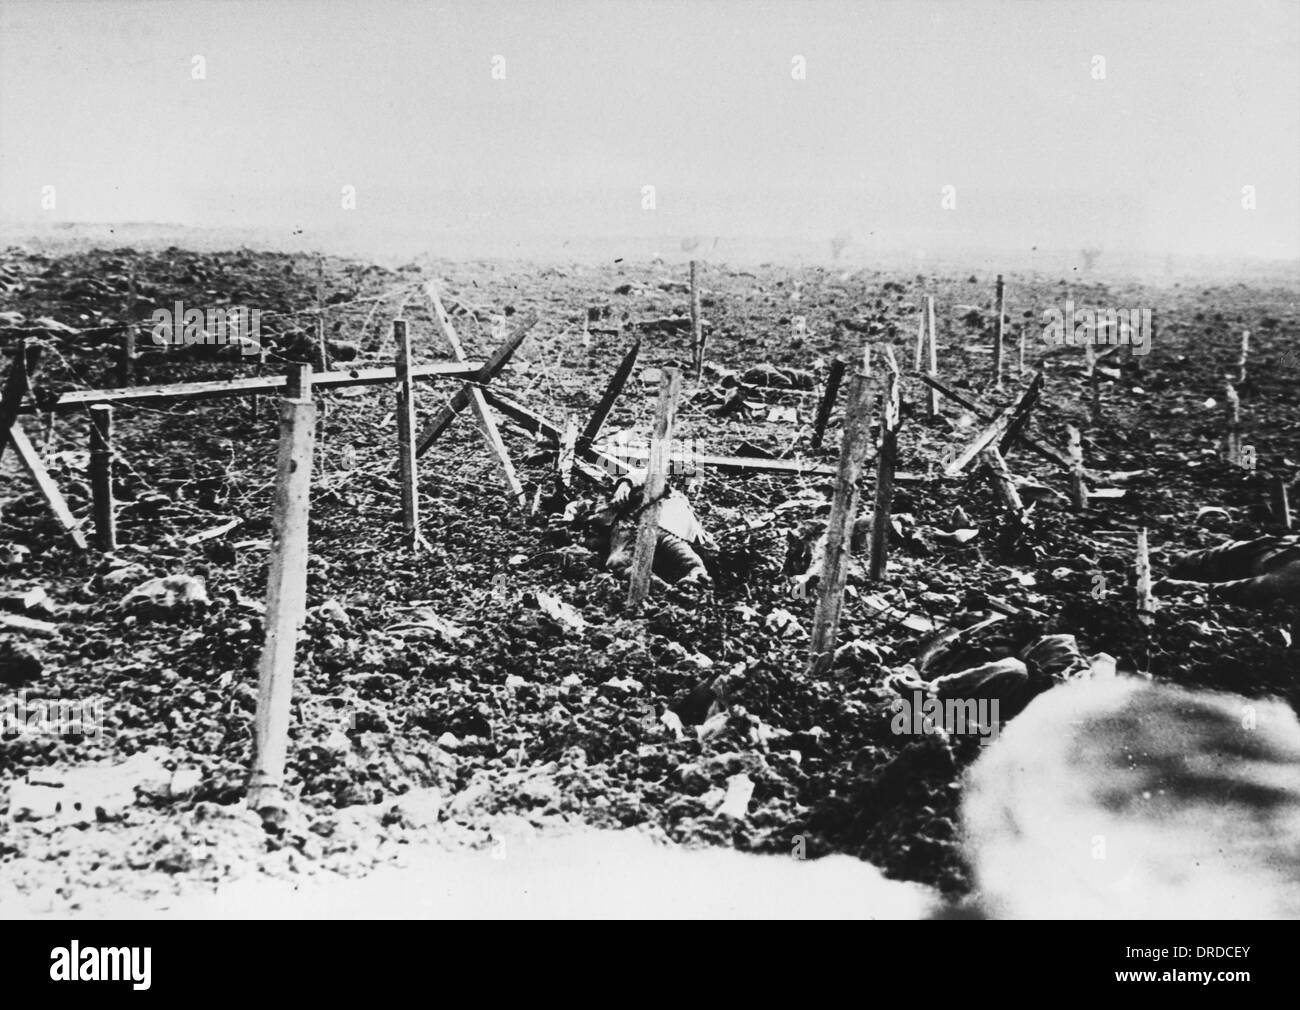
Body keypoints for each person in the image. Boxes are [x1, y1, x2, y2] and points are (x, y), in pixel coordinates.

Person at [589, 468, 716, 585]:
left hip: (659, 523)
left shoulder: (656, 491)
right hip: (633, 531)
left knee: (678, 550)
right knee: (617, 563)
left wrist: (625, 483)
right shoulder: (606, 513)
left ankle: (697, 574)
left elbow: (652, 472)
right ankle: (662, 587)